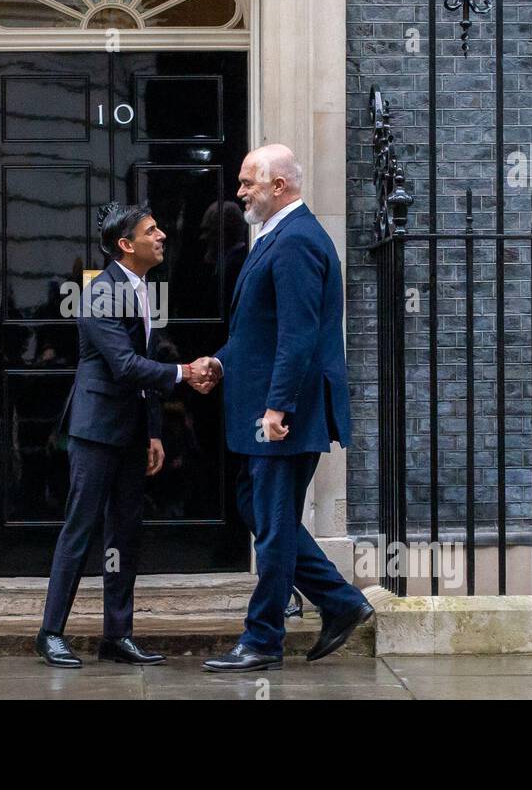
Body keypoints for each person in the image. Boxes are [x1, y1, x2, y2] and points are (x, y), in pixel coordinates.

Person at [188, 144, 373, 672]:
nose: (240, 191)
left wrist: (277, 408)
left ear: (280, 186)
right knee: (264, 514)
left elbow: (298, 334)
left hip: (282, 415)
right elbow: (258, 334)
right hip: (270, 408)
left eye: (249, 182)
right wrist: (221, 364)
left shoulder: (295, 242)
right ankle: (339, 602)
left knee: (270, 523)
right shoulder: (277, 237)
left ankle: (263, 638)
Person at [35, 204, 213, 668]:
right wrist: (183, 372)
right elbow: (126, 366)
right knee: (80, 529)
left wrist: (154, 432)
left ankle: (117, 634)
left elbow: (141, 368)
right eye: (152, 231)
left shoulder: (143, 289)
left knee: (125, 534)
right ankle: (50, 632)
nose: (163, 237)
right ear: (126, 245)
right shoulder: (99, 293)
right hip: (96, 433)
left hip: (132, 433)